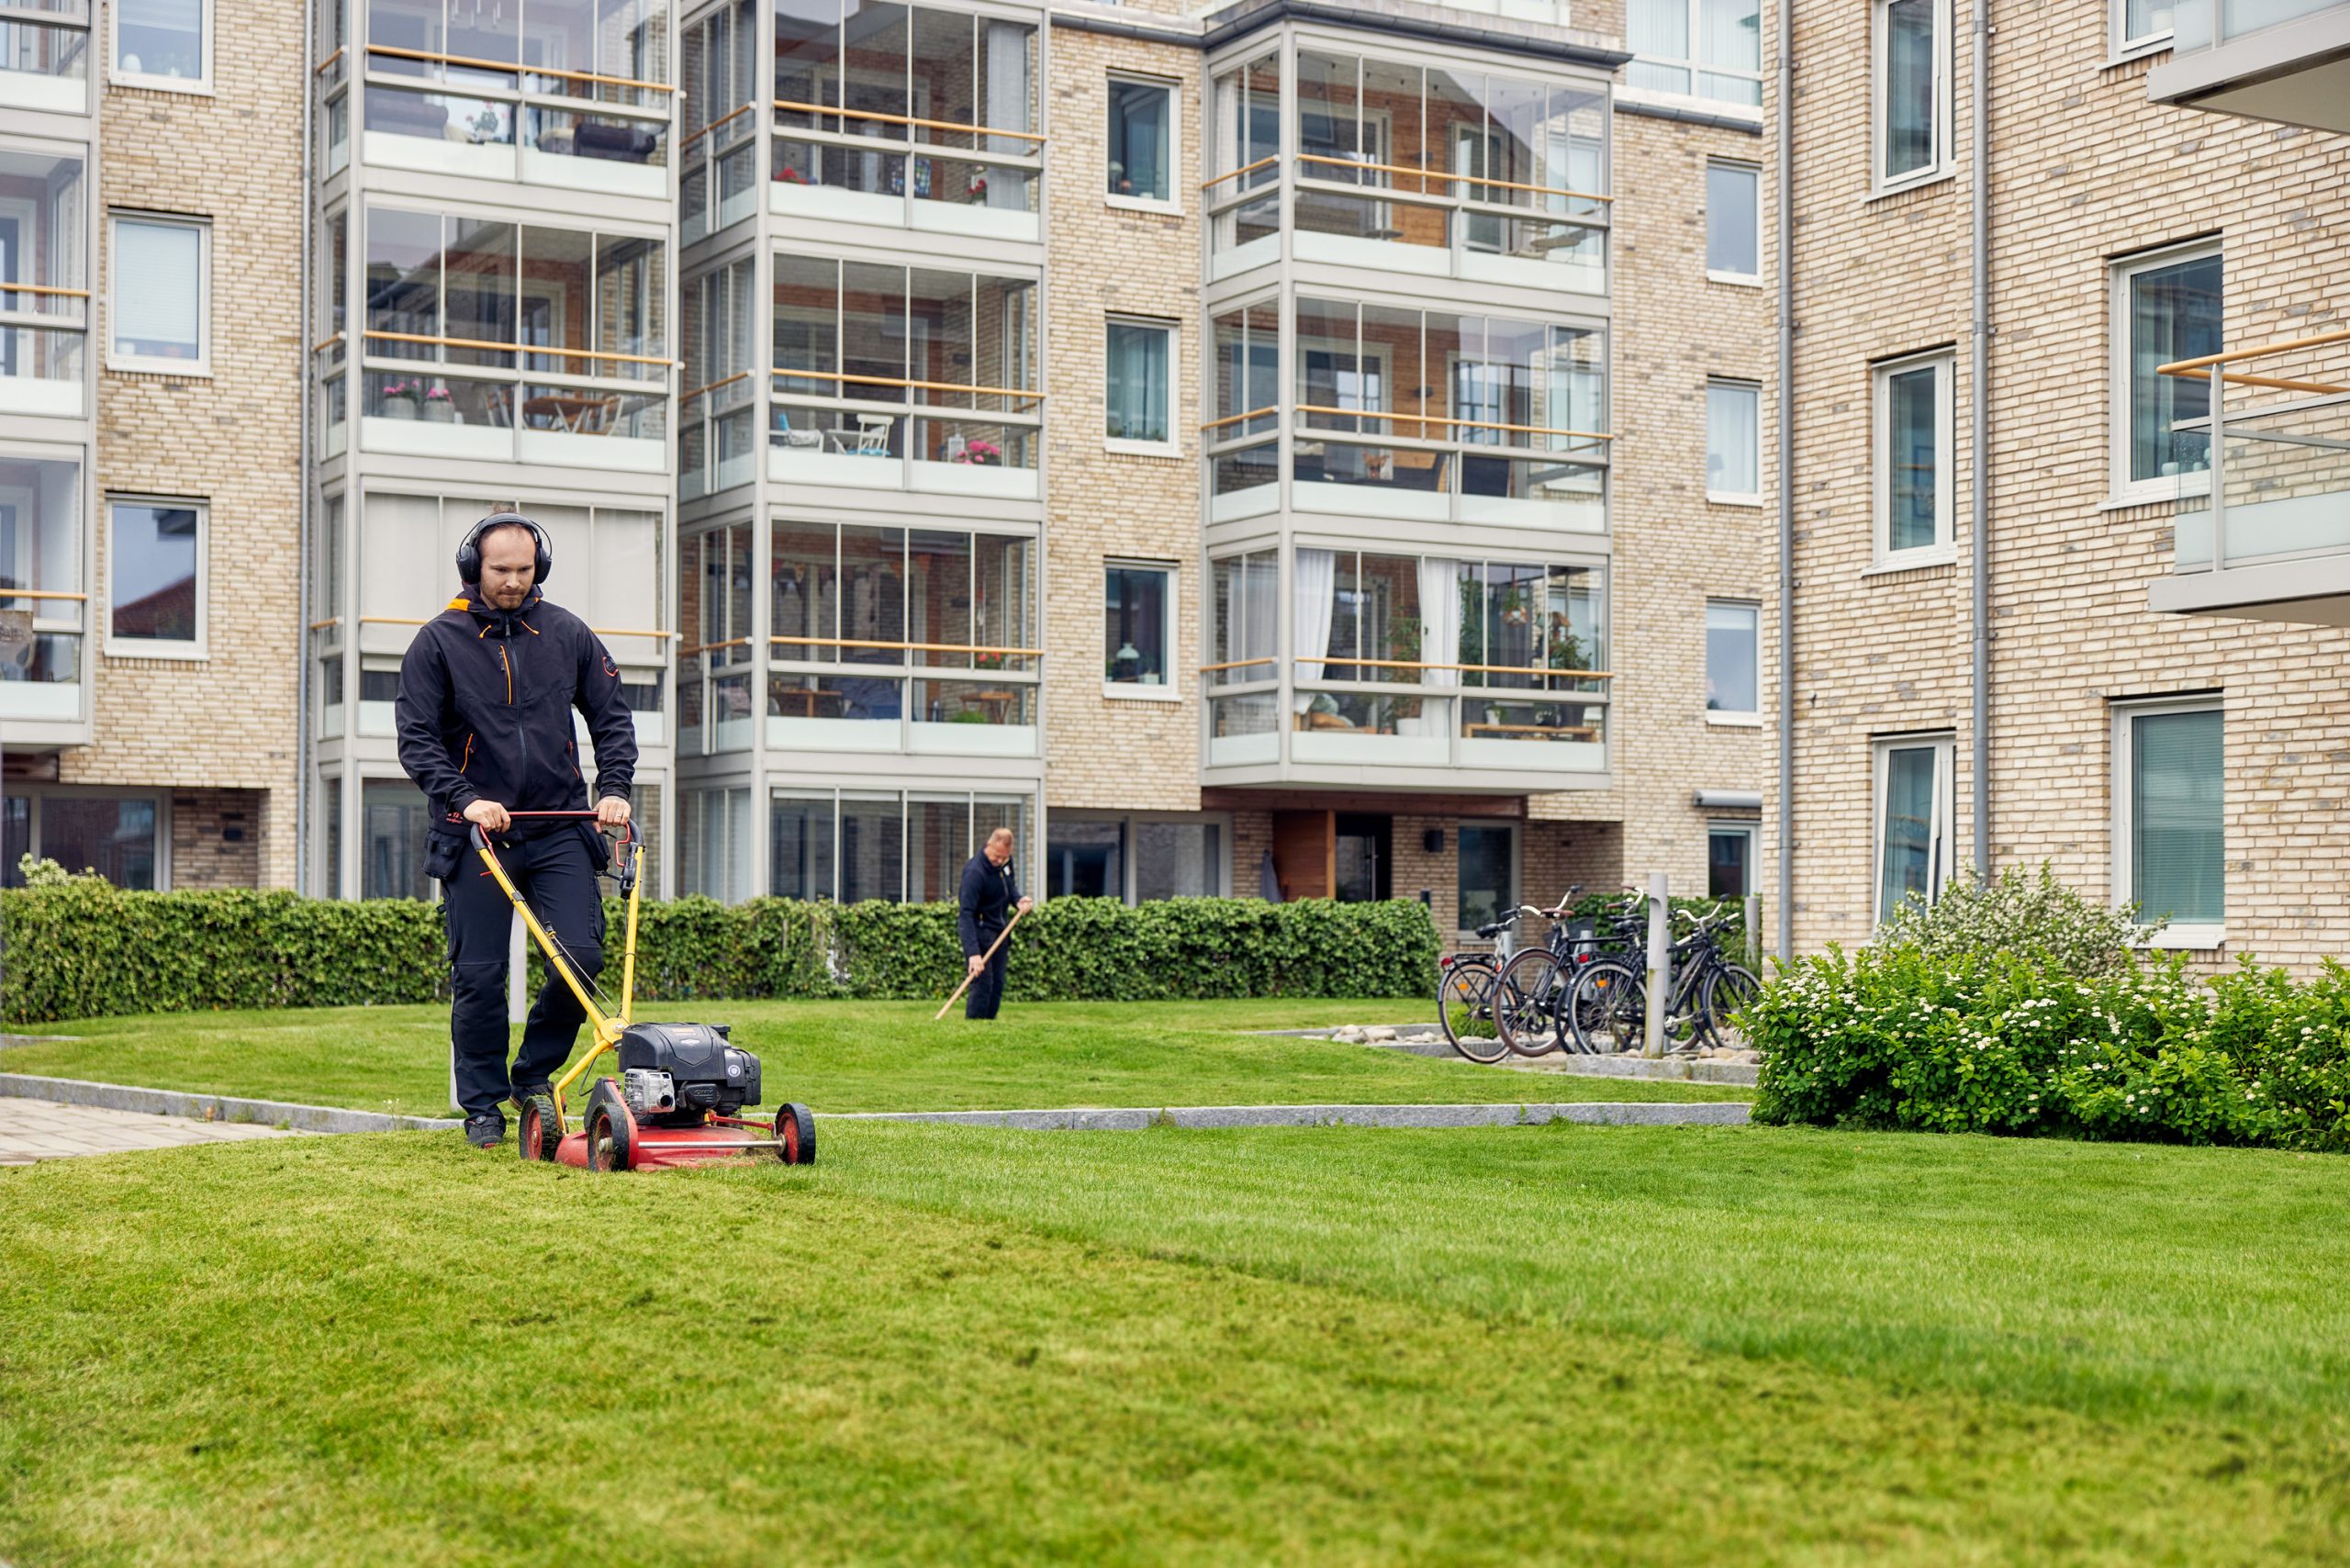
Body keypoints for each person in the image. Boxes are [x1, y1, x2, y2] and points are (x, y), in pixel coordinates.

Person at [394, 512, 637, 1149]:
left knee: (580, 957)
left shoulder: (567, 634)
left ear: (540, 569)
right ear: (474, 566)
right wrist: (466, 799)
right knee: (478, 975)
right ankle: (480, 1107)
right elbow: (417, 742)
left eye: (523, 571)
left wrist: (612, 788)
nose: (511, 582)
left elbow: (612, 718)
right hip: (476, 834)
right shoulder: (438, 642)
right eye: (500, 570)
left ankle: (531, 1077)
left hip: (558, 825)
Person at [957, 826, 1032, 1021]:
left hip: (1001, 931)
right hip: (981, 931)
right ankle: (974, 1026)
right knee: (983, 983)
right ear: (988, 845)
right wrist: (973, 953)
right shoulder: (975, 872)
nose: (999, 861)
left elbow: (1010, 887)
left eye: (1004, 858)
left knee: (997, 983)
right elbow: (966, 915)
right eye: (996, 856)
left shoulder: (1005, 864)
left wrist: (1018, 900)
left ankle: (990, 1025)